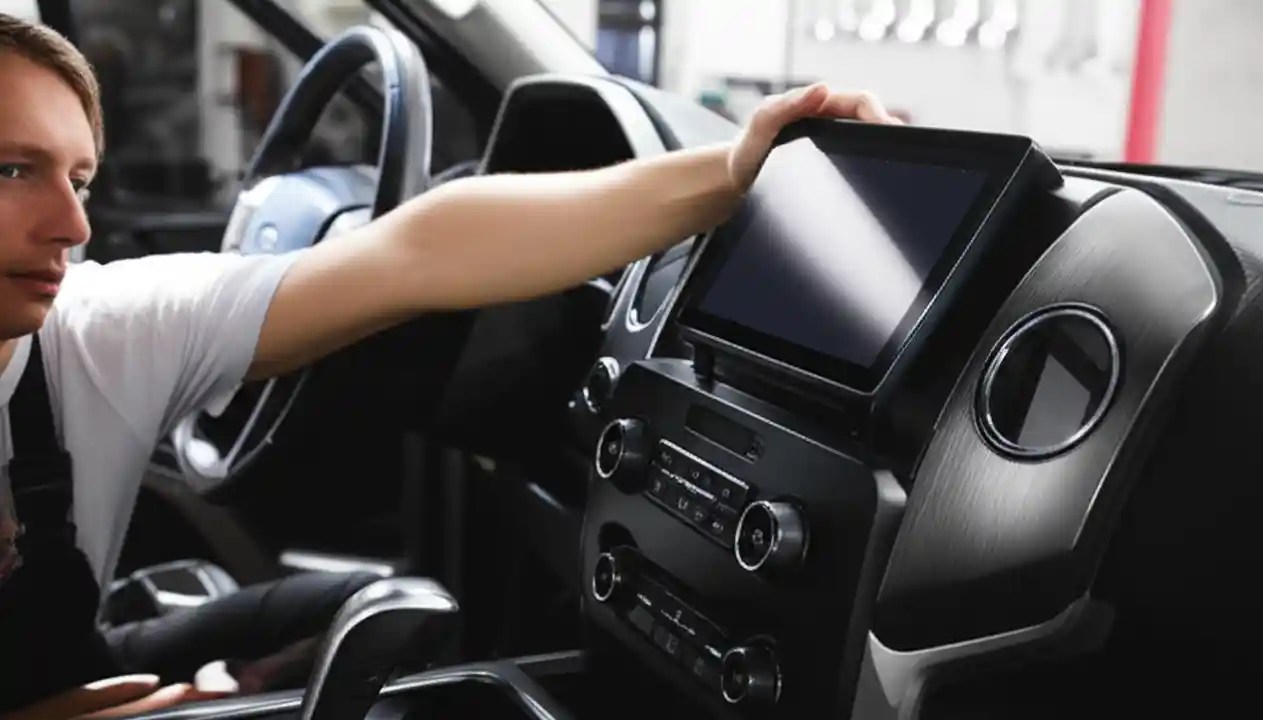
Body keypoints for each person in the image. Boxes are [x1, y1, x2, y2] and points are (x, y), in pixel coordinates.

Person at [0, 11, 900, 719]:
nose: (71, 227)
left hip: (76, 662)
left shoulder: (96, 334)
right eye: (13, 172)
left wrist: (734, 171)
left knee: (384, 614)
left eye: (79, 180)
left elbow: (416, 253)